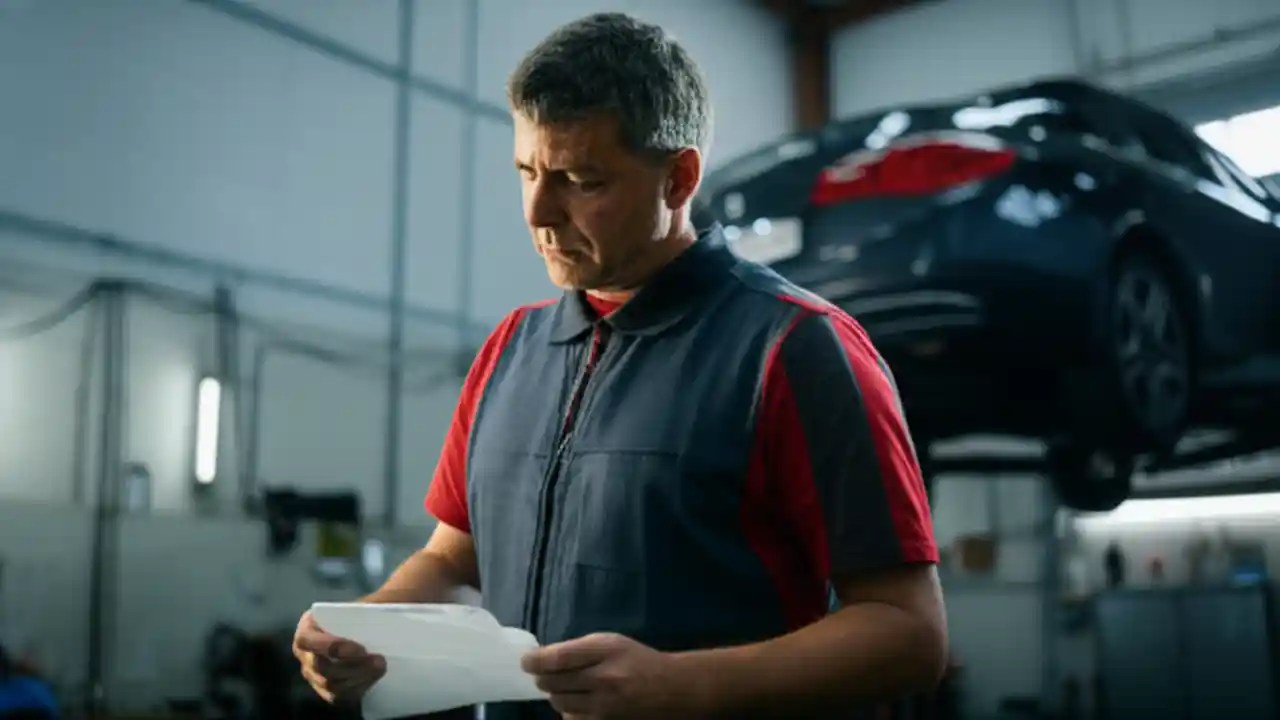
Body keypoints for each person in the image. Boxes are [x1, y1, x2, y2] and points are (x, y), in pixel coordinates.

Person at [294, 11, 946, 720]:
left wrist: (682, 686)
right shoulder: (511, 349)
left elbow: (908, 631)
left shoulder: (795, 350)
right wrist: (366, 630)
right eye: (526, 172)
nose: (538, 212)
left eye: (579, 180)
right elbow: (455, 563)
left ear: (679, 178)